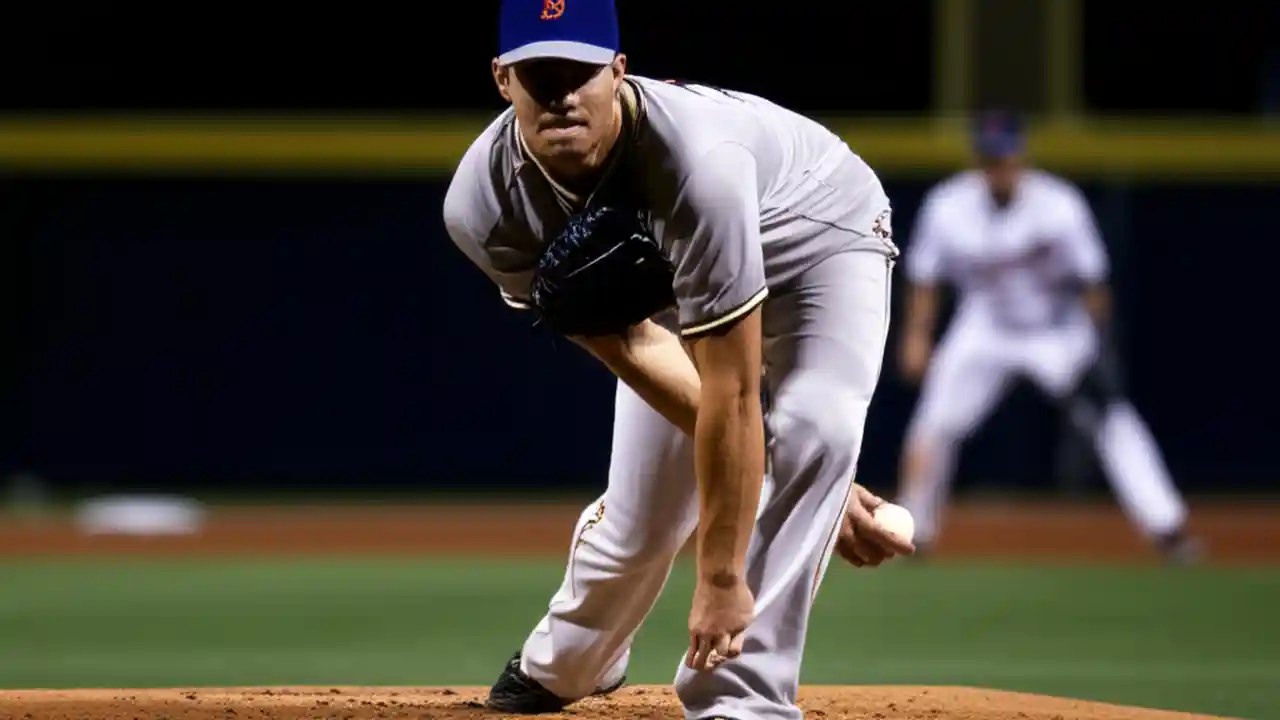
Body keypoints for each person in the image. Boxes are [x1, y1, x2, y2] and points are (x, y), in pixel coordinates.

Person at [442, 1, 913, 717]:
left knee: (817, 430)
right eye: (540, 75)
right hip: (679, 270)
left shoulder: (695, 163)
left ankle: (742, 695)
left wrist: (723, 576)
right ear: (502, 80)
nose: (563, 93)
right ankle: (569, 662)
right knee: (644, 513)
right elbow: (628, 343)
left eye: (580, 72)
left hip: (819, 234)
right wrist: (770, 458)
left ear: (620, 72)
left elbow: (729, 393)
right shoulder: (486, 207)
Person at [894, 110, 1202, 564]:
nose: (997, 165)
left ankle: (1167, 527)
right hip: (986, 327)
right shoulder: (950, 204)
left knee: (1112, 420)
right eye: (989, 156)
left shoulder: (1058, 204)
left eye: (1004, 155)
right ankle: (914, 532)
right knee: (934, 424)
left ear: (1021, 155)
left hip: (1055, 330)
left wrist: (1096, 347)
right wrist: (916, 338)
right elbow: (924, 277)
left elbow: (1094, 284)